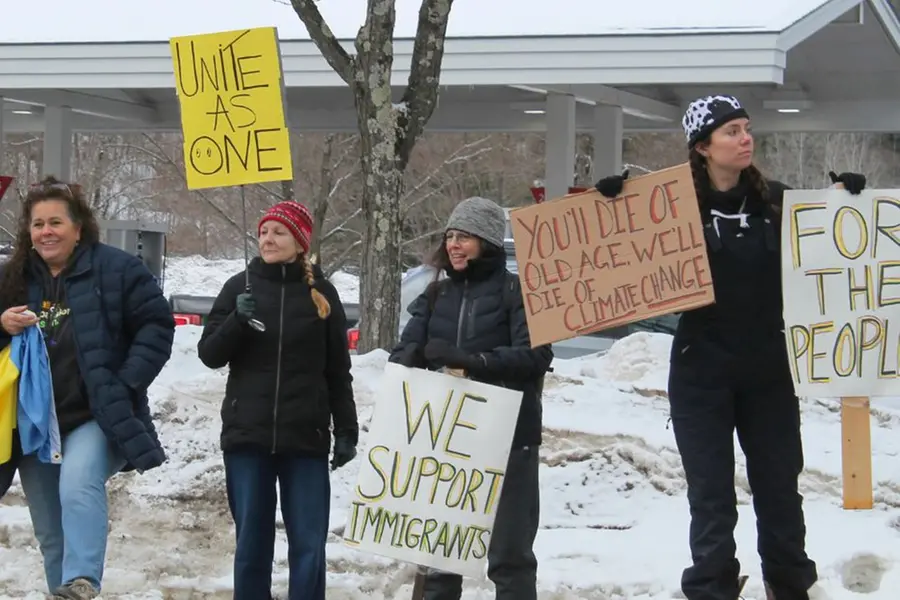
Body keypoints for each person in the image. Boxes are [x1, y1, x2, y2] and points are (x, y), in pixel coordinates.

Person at [594, 95, 867, 600]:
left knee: (779, 486)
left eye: (746, 128)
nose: (746, 139)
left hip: (768, 369)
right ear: (703, 147)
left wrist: (845, 199)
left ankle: (789, 584)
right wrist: (610, 208)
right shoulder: (671, 209)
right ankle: (712, 586)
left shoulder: (775, 202)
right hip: (701, 370)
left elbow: (824, 233)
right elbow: (611, 252)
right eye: (732, 131)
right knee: (711, 493)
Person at [0, 176, 175, 600]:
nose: (46, 232)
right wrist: (1, 324)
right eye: (38, 224)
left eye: (55, 222)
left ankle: (82, 580)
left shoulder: (118, 270)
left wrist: (125, 382)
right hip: (35, 420)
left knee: (78, 483)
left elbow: (156, 326)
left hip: (95, 415)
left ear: (78, 228)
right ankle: (65, 592)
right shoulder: (13, 277)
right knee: (50, 528)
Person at [388, 196, 554, 600]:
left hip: (509, 436)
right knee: (441, 555)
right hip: (449, 437)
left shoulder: (517, 292)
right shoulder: (435, 295)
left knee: (510, 556)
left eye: (464, 236)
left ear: (487, 241)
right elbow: (406, 349)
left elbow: (536, 356)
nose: (454, 245)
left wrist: (475, 361)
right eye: (449, 237)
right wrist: (408, 357)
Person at [197, 200, 358, 600]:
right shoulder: (239, 287)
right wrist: (236, 320)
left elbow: (338, 370)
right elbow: (209, 354)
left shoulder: (323, 294)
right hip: (247, 437)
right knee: (252, 543)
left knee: (309, 544)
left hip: (306, 438)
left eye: (279, 232)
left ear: (300, 242)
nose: (268, 239)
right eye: (264, 232)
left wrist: (347, 430)